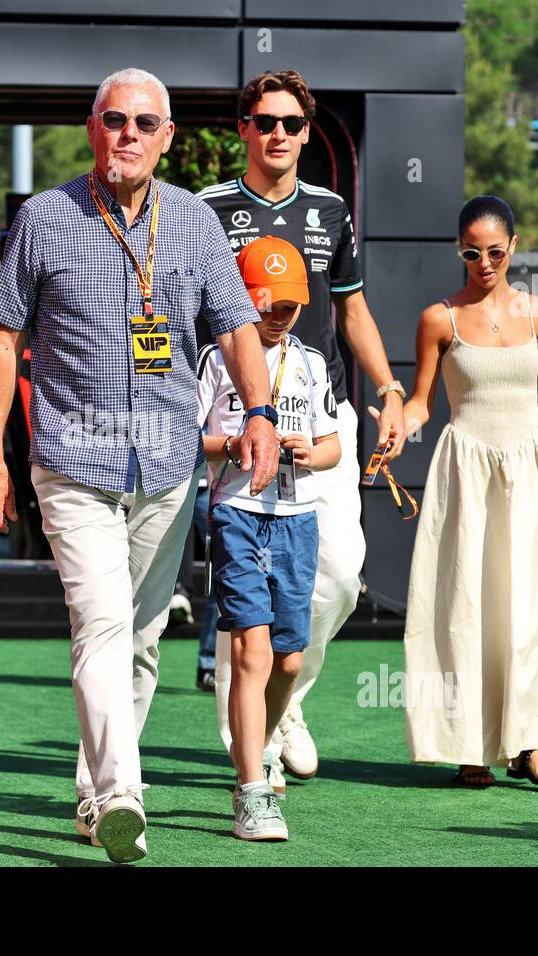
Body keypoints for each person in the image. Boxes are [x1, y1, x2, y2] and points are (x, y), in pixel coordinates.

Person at [0, 67, 279, 864]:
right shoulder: (44, 218)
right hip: (73, 459)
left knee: (141, 640)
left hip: (167, 463)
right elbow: (3, 339)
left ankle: (93, 792)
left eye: (145, 123)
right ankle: (120, 796)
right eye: (114, 120)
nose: (128, 135)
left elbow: (237, 326)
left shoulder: (196, 223)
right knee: (102, 623)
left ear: (167, 137)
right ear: (92, 129)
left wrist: (260, 413)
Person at [195, 69, 406, 791]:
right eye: (264, 122)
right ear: (244, 130)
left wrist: (390, 389)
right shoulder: (208, 208)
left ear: (308, 132)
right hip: (238, 418)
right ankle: (247, 748)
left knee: (340, 576)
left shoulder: (330, 209)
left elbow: (353, 310)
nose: (277, 134)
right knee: (244, 589)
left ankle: (287, 705)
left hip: (322, 418)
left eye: (290, 123)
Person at [399, 195, 538, 788]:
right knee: (469, 609)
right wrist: (397, 426)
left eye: (494, 252)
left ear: (513, 246)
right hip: (467, 473)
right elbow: (421, 402)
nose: (483, 264)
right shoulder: (439, 319)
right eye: (471, 253)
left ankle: (529, 744)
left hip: (531, 471)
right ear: (458, 251)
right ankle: (471, 748)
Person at [199, 236, 340, 840]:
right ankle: (252, 788)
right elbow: (188, 439)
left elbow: (333, 445)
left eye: (291, 304)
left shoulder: (311, 361)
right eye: (269, 304)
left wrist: (310, 452)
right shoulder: (217, 357)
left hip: (297, 517)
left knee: (289, 658)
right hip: (236, 512)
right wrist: (234, 444)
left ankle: (260, 750)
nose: (281, 315)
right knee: (250, 654)